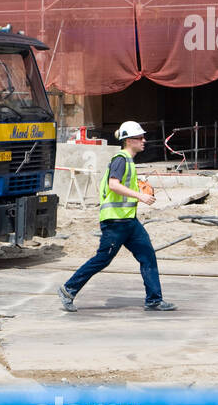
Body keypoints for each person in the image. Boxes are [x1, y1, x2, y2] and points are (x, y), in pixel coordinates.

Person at [58, 121, 176, 312]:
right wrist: (140, 195)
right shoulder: (120, 159)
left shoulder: (128, 161)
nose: (144, 140)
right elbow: (114, 184)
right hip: (115, 222)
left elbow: (121, 185)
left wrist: (138, 187)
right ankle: (68, 289)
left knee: (148, 256)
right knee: (102, 259)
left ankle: (154, 299)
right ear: (129, 140)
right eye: (140, 138)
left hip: (129, 221)